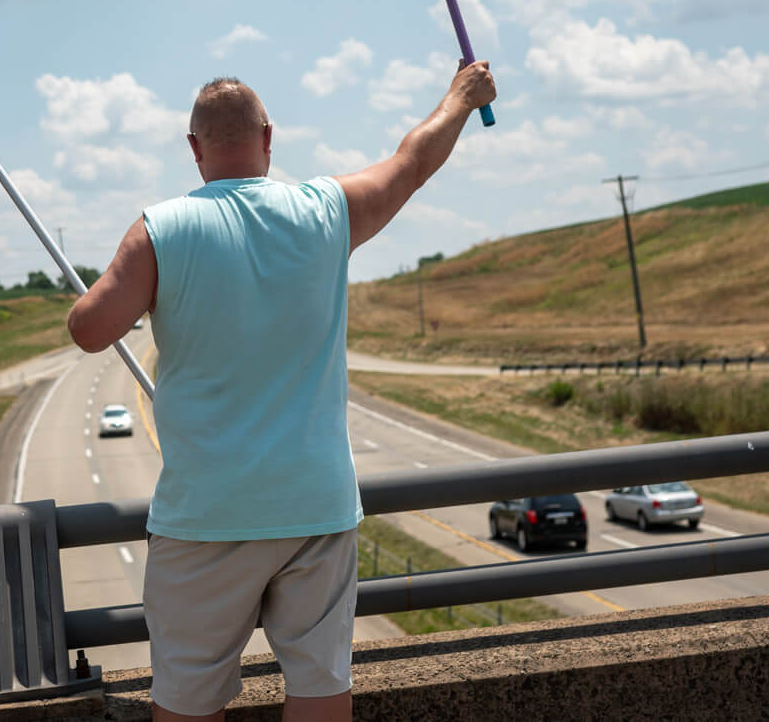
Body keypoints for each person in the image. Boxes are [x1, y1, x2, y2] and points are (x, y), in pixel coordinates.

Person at [68, 62, 496, 722]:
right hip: (316, 508)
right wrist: (462, 98)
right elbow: (411, 163)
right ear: (269, 139)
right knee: (322, 691)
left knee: (187, 697)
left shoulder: (163, 228)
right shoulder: (326, 211)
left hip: (207, 516)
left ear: (195, 147)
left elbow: (90, 329)